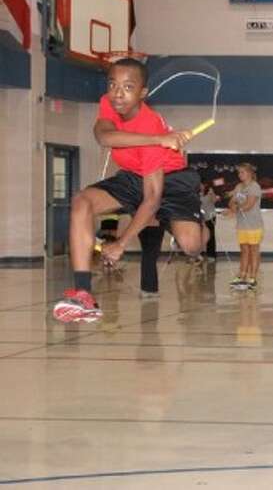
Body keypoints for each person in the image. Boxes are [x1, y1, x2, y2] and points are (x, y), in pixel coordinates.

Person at [52, 57, 203, 323]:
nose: (118, 93)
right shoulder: (109, 104)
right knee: (81, 201)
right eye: (113, 84)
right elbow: (104, 136)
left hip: (174, 181)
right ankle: (83, 294)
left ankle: (203, 225)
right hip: (134, 175)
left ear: (143, 93)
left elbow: (153, 199)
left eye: (128, 87)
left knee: (191, 246)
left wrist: (121, 244)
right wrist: (160, 139)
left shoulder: (150, 125)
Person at [227, 163, 263, 290]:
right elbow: (232, 201)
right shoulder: (238, 187)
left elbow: (249, 205)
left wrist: (234, 210)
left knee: (254, 251)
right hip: (241, 225)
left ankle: (252, 277)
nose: (240, 175)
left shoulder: (255, 187)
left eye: (242, 172)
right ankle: (242, 275)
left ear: (249, 173)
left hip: (254, 225)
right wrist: (232, 207)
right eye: (238, 173)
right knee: (244, 250)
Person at [200, 183, 218, 262]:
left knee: (210, 236)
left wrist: (212, 194)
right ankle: (198, 255)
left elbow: (214, 200)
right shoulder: (194, 192)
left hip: (210, 217)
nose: (201, 186)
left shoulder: (210, 192)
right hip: (199, 218)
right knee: (198, 236)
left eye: (202, 184)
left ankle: (211, 255)